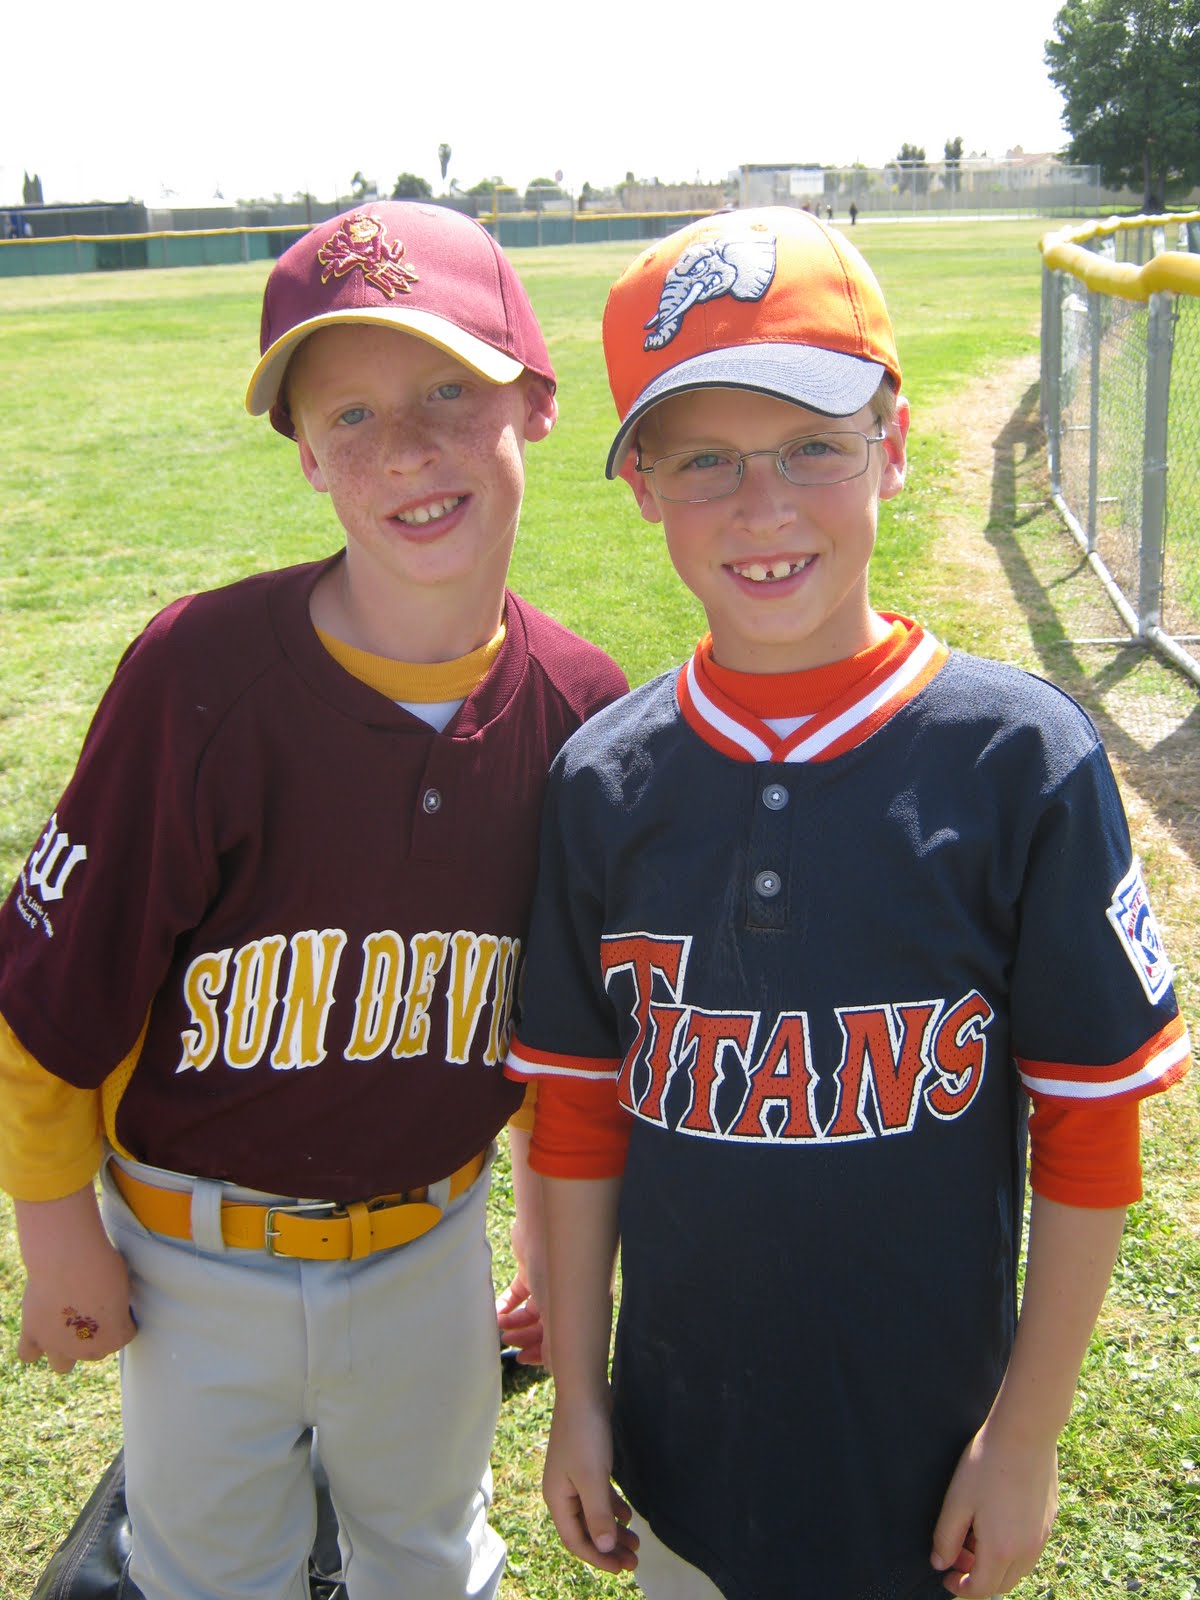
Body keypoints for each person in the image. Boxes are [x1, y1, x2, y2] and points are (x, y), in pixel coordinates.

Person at [505, 207, 1192, 1600]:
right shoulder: (605, 782)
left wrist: (1028, 1435)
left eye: (813, 445)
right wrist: (581, 1393)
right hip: (686, 1456)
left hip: (934, 1468)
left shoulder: (1020, 761)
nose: (763, 507)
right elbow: (575, 1121)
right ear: (640, 481)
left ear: (893, 438)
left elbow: (1089, 1120)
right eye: (705, 460)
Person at [0, 200, 627, 1600]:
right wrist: (57, 1235)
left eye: (449, 391)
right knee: (209, 1571)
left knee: (430, 1550)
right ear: (303, 455)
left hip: (428, 1246)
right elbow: (47, 998)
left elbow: (570, 1035)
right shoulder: (202, 678)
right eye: (347, 414)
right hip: (191, 1255)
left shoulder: (586, 713)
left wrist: (536, 1230)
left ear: (537, 395)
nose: (403, 449)